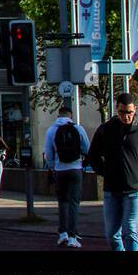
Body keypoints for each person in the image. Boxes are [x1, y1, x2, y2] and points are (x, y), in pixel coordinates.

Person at [87, 92, 138, 251]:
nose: (126, 116)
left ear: (135, 110)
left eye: (130, 112)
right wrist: (104, 172)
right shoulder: (106, 130)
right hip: (111, 189)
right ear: (117, 110)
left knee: (130, 230)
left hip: (134, 189)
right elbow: (93, 155)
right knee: (112, 234)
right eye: (122, 112)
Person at [43, 104, 91, 248]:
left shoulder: (51, 130)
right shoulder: (78, 128)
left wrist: (52, 167)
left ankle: (62, 233)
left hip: (59, 170)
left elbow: (48, 153)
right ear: (70, 116)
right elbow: (87, 148)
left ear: (58, 115)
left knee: (62, 202)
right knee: (74, 203)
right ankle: (72, 235)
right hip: (75, 169)